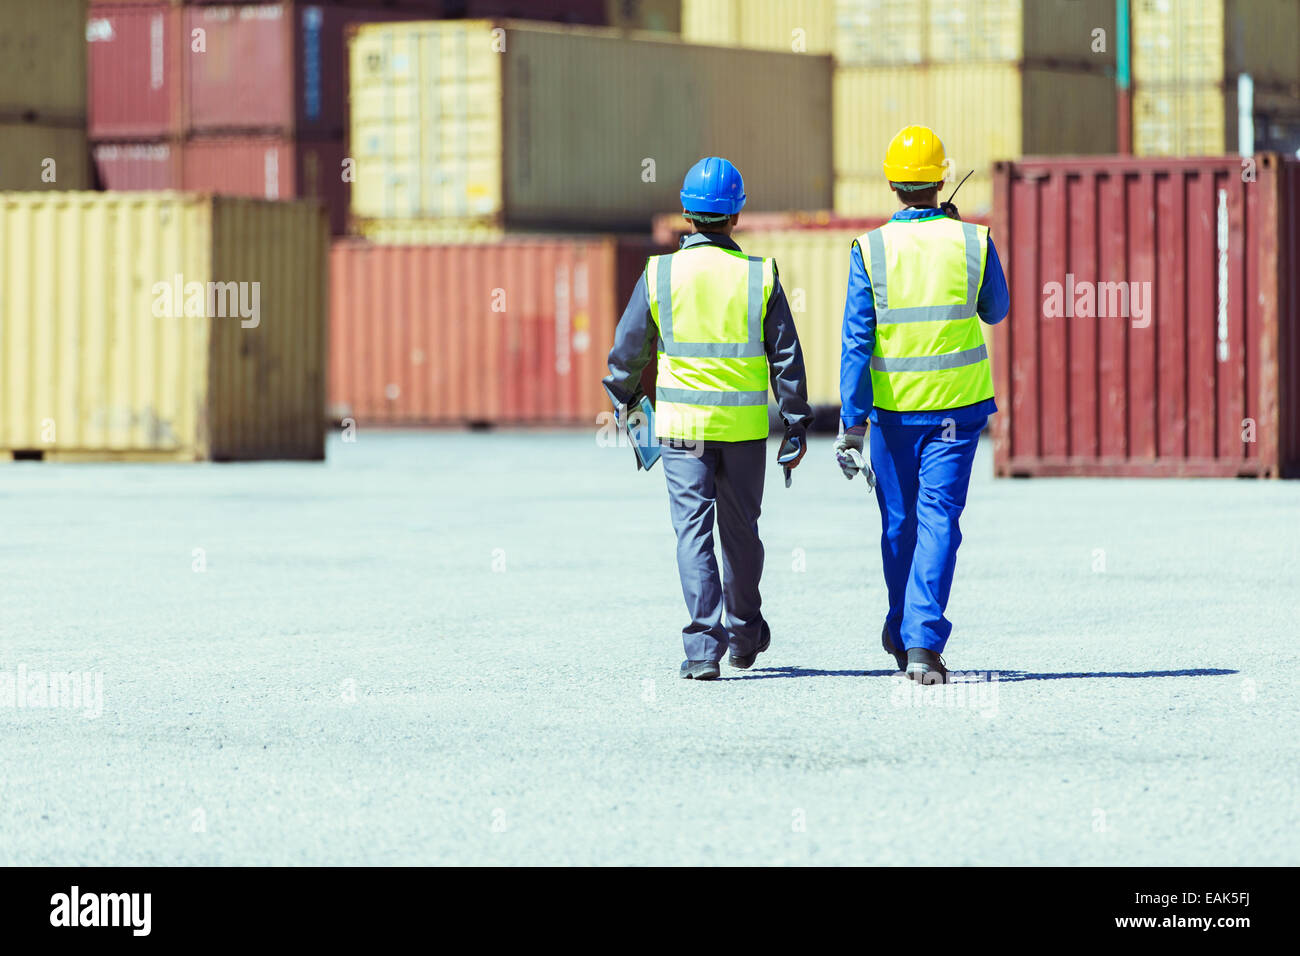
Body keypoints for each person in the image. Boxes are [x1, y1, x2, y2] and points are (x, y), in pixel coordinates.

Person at [604, 157, 813, 681]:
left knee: (692, 532)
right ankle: (744, 634)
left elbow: (628, 351)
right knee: (741, 532)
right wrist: (796, 422)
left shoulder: (659, 272)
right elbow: (785, 354)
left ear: (686, 214)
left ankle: (703, 648)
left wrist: (625, 397)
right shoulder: (760, 276)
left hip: (680, 432)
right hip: (743, 433)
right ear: (736, 215)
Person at [834, 126, 1010, 684]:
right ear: (941, 180)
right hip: (958, 412)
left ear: (891, 182)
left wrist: (851, 423)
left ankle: (905, 630)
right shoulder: (974, 241)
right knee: (939, 521)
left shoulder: (871, 249)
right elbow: (996, 309)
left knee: (899, 523)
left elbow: (857, 343)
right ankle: (920, 641)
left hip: (892, 416)